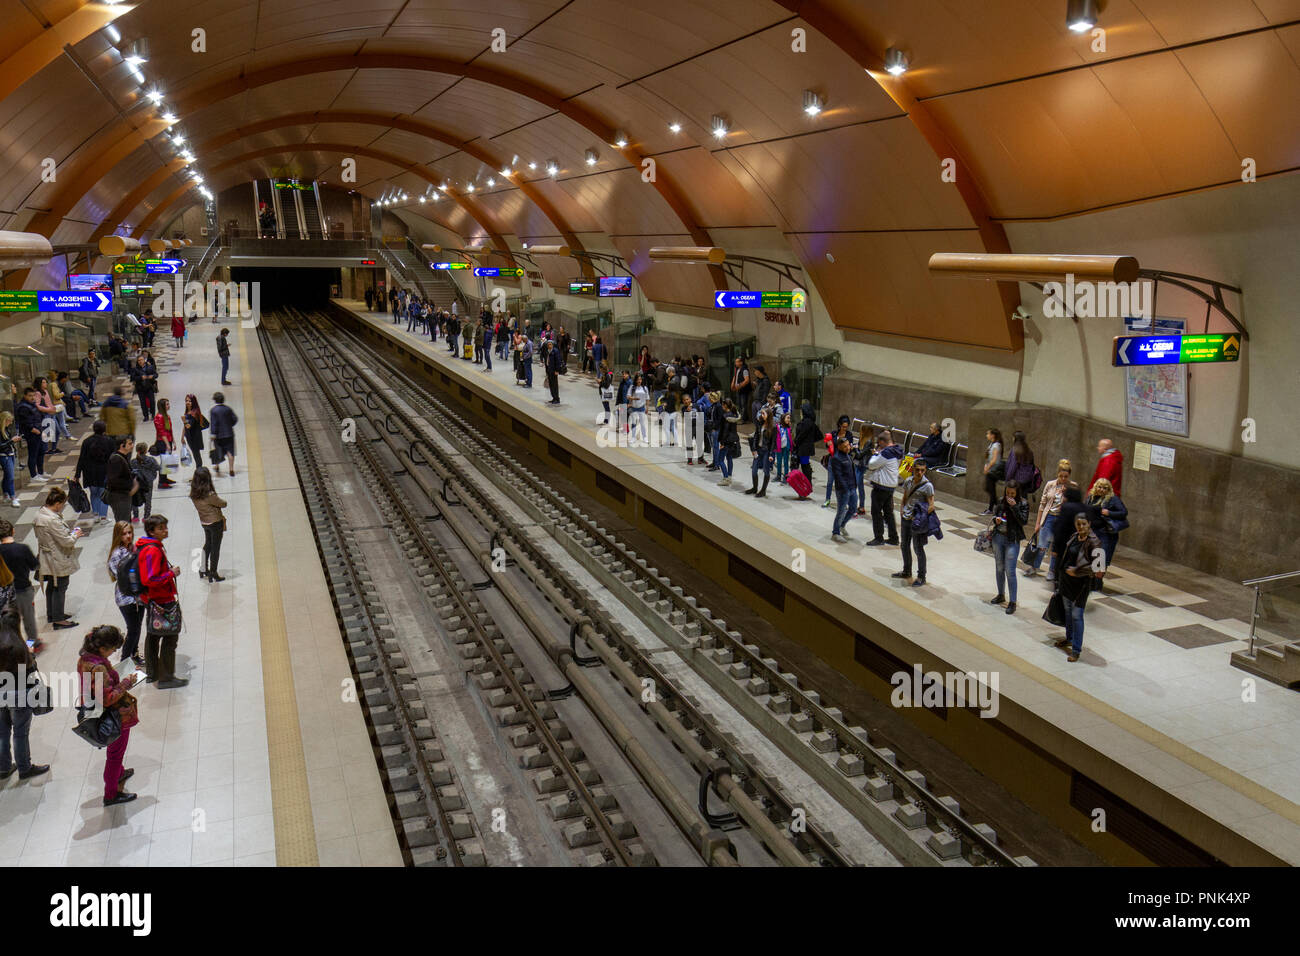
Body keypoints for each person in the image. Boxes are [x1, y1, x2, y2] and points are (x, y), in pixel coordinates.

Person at [78, 625, 142, 804]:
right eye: (113, 649)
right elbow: (107, 699)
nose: (114, 652)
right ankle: (111, 794)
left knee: (116, 754)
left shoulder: (85, 658)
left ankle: (120, 773)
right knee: (115, 756)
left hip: (97, 711)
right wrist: (126, 683)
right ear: (102, 648)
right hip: (113, 717)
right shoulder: (97, 668)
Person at [137, 514, 187, 688]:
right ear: (151, 531)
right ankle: (166, 677)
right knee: (169, 637)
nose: (165, 531)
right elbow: (149, 579)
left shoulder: (148, 546)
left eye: (165, 527)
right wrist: (171, 573)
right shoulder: (152, 550)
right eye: (160, 528)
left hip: (153, 599)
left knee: (153, 635)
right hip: (161, 600)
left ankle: (153, 672)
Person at [0, 612, 49, 781]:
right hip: (19, 694)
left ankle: (4, 767)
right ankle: (24, 768)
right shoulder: (19, 647)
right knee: (20, 732)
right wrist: (31, 657)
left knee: (2, 732)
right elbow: (28, 671)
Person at [33, 486, 85, 629]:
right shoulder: (52, 520)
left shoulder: (39, 514)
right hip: (57, 557)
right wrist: (76, 534)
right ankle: (58, 619)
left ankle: (52, 614)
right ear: (57, 503)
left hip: (46, 556)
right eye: (62, 504)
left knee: (53, 585)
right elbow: (66, 541)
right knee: (60, 586)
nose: (62, 507)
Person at [1056, 514, 1102, 662]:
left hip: (1081, 584)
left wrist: (1077, 571)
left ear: (1089, 524)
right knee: (1068, 611)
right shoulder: (1074, 536)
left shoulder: (1096, 542)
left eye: (1084, 524)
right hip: (1067, 581)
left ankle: (1076, 649)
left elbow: (1099, 568)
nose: (1081, 527)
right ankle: (1069, 638)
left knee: (1077, 615)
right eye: (1078, 524)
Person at [1025, 460, 1076, 579]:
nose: (1063, 478)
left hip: (1062, 520)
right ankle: (1034, 566)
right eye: (1061, 476)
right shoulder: (1050, 484)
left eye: (1066, 476)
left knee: (1056, 547)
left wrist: (1066, 496)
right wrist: (1038, 523)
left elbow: (1074, 505)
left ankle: (1052, 570)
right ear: (1057, 473)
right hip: (1049, 517)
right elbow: (1042, 504)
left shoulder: (1072, 486)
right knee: (1042, 545)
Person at [105, 521, 146, 666]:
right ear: (118, 535)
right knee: (133, 629)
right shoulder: (117, 554)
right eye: (124, 534)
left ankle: (134, 654)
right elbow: (123, 577)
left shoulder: (133, 548)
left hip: (139, 596)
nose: (128, 536)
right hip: (126, 598)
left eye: (130, 533)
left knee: (138, 626)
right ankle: (124, 661)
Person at [989, 479, 1030, 614]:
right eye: (1008, 493)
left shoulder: (1023, 503)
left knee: (1010, 571)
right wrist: (996, 519)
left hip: (1012, 540)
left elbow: (1023, 521)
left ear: (1017, 493)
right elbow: (995, 515)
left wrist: (1014, 507)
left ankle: (1013, 601)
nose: (1010, 496)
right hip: (999, 537)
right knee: (999, 567)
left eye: (1013, 494)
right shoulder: (1001, 500)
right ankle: (1001, 594)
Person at [892, 459, 934, 587]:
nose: (919, 473)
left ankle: (921, 576)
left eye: (922, 470)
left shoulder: (927, 485)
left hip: (917, 522)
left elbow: (931, 505)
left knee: (918, 548)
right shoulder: (909, 481)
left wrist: (920, 518)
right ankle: (906, 571)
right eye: (917, 470)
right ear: (913, 469)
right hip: (906, 518)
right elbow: (905, 498)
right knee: (904, 545)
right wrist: (902, 510)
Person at [0, 521, 41, 649]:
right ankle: (31, 643)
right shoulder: (22, 549)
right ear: (13, 531)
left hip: (4, 592)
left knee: (10, 621)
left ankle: (15, 645)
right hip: (23, 589)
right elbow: (35, 565)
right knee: (28, 618)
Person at [1086, 477, 1128, 587]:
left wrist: (1109, 513)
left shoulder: (1112, 499)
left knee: (1101, 558)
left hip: (1105, 533)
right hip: (1092, 531)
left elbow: (1123, 512)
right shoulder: (1091, 497)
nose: (1102, 490)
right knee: (1091, 557)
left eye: (1105, 488)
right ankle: (1090, 580)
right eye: (1100, 487)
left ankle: (1097, 582)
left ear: (1108, 489)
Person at [189, 467, 228, 582]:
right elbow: (223, 504)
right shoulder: (209, 494)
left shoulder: (194, 493)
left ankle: (203, 568)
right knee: (215, 548)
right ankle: (213, 572)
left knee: (208, 544)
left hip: (204, 521)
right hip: (215, 522)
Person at [866, 429, 903, 547]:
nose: (878, 445)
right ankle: (893, 538)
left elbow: (871, 465)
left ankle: (879, 538)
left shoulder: (886, 453)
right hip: (891, 485)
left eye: (879, 443)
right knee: (888, 513)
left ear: (883, 441)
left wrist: (876, 454)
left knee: (876, 512)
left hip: (881, 486)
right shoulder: (897, 450)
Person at [74, 420, 115, 522]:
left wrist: (77, 474)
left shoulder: (87, 442)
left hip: (89, 472)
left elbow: (81, 458)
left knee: (94, 494)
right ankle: (103, 516)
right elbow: (113, 458)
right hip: (104, 472)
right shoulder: (109, 441)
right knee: (103, 493)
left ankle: (96, 515)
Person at [1050, 486, 1089, 585]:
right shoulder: (1084, 508)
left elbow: (1060, 528)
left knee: (1061, 569)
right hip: (1079, 544)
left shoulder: (1067, 507)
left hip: (1065, 544)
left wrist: (1055, 548)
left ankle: (1059, 587)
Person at [15, 388, 48, 482]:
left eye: (33, 395)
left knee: (41, 452)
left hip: (39, 430)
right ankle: (33, 476)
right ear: (25, 395)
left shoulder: (32, 405)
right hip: (32, 433)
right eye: (30, 395)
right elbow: (25, 422)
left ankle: (41, 472)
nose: (32, 397)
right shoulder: (23, 407)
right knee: (33, 454)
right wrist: (34, 430)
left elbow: (38, 416)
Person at [104, 435, 137, 525]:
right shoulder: (116, 459)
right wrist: (132, 487)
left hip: (122, 496)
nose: (132, 445)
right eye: (130, 444)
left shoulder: (122, 456)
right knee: (123, 524)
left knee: (126, 522)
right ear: (122, 446)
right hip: (119, 497)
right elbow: (114, 480)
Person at [829, 437, 856, 542]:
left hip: (852, 487)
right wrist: (845, 488)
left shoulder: (848, 456)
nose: (848, 447)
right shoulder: (836, 458)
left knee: (853, 508)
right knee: (841, 510)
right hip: (843, 490)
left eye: (848, 445)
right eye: (845, 446)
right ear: (839, 446)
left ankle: (842, 525)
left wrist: (854, 485)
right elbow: (838, 475)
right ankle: (835, 532)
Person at [746, 409, 776, 498]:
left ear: (769, 415)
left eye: (763, 413)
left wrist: (771, 454)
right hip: (758, 450)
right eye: (761, 413)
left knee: (766, 471)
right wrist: (754, 449)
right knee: (754, 470)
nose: (761, 415)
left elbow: (773, 442)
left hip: (766, 451)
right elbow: (756, 436)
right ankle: (754, 488)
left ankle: (763, 490)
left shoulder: (773, 427)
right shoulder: (759, 424)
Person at [151, 397, 178, 490]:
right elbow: (161, 432)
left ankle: (165, 479)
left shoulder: (167, 416)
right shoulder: (159, 417)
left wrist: (173, 441)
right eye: (167, 404)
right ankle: (161, 482)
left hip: (168, 440)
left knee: (166, 461)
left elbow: (170, 429)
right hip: (163, 442)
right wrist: (167, 444)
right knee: (164, 462)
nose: (168, 405)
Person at [209, 392, 239, 476]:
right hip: (229, 433)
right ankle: (231, 469)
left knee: (217, 450)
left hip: (218, 435)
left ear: (215, 400)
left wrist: (213, 434)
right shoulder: (228, 409)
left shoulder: (213, 410)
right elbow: (235, 419)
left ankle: (217, 466)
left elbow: (213, 423)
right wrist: (230, 425)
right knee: (230, 452)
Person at [792, 401, 819, 489]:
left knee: (805, 466)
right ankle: (807, 483)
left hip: (804, 448)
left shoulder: (807, 422)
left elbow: (801, 435)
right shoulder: (809, 421)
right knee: (805, 465)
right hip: (805, 447)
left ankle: (807, 484)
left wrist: (796, 441)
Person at [131, 442, 161, 521]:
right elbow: (158, 468)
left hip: (137, 482)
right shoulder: (151, 460)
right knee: (148, 499)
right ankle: (146, 516)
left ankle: (135, 516)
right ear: (146, 450)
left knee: (135, 498)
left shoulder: (133, 462)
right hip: (148, 482)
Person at [716, 399, 741, 486]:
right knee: (729, 458)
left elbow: (725, 430)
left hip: (726, 440)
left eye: (723, 405)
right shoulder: (735, 414)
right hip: (733, 439)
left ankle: (726, 478)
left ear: (725, 405)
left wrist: (722, 443)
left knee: (720, 460)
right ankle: (729, 476)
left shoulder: (725, 416)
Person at [980, 427, 1004, 514]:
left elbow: (994, 460)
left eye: (988, 434)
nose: (987, 435)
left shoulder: (996, 445)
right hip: (991, 470)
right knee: (990, 489)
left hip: (993, 471)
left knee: (990, 489)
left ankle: (995, 507)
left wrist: (987, 467)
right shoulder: (992, 444)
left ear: (992, 435)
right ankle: (997, 506)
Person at [181, 393, 208, 470]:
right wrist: (182, 437)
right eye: (186, 401)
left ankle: (199, 471)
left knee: (196, 455)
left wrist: (184, 420)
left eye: (190, 401)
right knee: (195, 454)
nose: (187, 402)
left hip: (195, 437)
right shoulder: (188, 411)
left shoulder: (194, 413)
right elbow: (185, 427)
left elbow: (188, 426)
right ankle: (199, 472)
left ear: (193, 402)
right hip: (189, 436)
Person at [33, 377, 59, 455]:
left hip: (51, 413)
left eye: (45, 382)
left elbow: (49, 402)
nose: (46, 384)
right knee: (47, 432)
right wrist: (48, 409)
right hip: (45, 414)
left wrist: (53, 408)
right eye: (44, 382)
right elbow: (37, 405)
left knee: (56, 431)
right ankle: (46, 449)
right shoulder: (38, 393)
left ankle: (53, 448)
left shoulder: (45, 391)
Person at [129, 353, 157, 420]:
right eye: (139, 360)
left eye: (141, 360)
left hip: (149, 387)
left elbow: (156, 374)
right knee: (143, 403)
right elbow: (132, 378)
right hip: (140, 388)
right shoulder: (135, 369)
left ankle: (153, 414)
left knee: (152, 401)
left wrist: (152, 376)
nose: (140, 361)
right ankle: (146, 416)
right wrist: (141, 378)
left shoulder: (150, 367)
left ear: (144, 360)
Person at [0, 412, 17, 507]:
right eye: (9, 421)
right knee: (10, 477)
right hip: (4, 455)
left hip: (10, 454)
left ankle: (6, 494)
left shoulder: (6, 429)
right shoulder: (1, 431)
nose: (10, 423)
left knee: (7, 476)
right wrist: (11, 441)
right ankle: (13, 496)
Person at [628, 373, 650, 445]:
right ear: (636, 380)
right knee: (634, 423)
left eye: (640, 379)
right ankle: (633, 437)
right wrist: (634, 398)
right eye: (638, 379)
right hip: (634, 407)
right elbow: (628, 396)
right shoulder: (632, 387)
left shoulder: (645, 388)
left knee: (642, 423)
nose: (639, 381)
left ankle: (644, 437)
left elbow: (647, 398)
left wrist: (647, 407)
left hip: (642, 408)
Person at [730, 357, 752, 423]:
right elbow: (735, 377)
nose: (735, 363)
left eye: (737, 362)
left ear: (741, 362)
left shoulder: (744, 370)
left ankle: (743, 419)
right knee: (739, 405)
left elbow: (747, 380)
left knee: (743, 405)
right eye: (735, 362)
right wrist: (733, 385)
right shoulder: (737, 369)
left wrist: (739, 386)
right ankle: (741, 417)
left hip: (744, 390)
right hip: (739, 390)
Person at [774, 412, 792, 484]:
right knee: (778, 462)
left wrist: (791, 447)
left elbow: (790, 438)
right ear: (783, 418)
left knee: (786, 462)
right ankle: (778, 476)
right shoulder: (777, 426)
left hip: (786, 447)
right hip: (779, 447)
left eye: (789, 418)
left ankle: (786, 476)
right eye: (787, 418)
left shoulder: (788, 427)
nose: (789, 419)